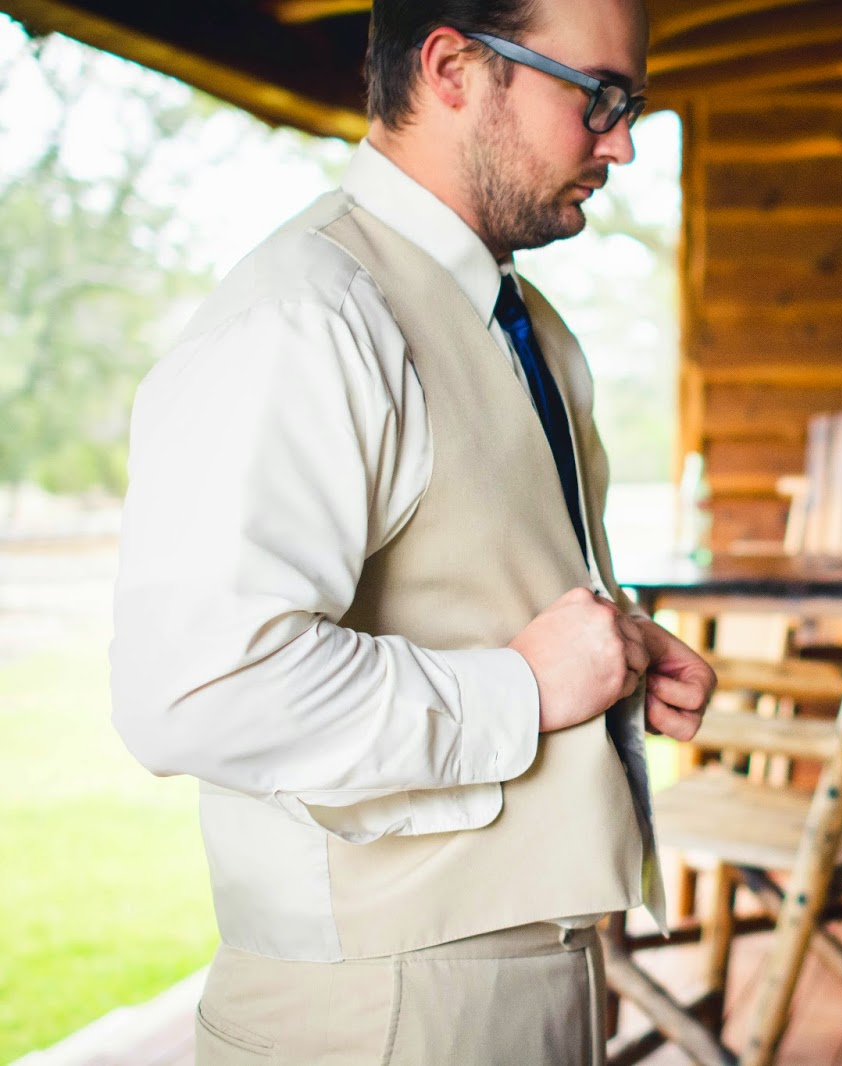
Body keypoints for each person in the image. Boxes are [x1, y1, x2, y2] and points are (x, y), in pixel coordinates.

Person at [108, 0, 713, 1061]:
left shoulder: (531, 326)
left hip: (529, 977)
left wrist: (610, 650)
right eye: (601, 98)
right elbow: (196, 688)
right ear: (453, 68)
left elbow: (469, 576)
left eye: (634, 103)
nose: (622, 140)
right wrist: (520, 691)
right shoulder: (307, 317)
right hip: (385, 1015)